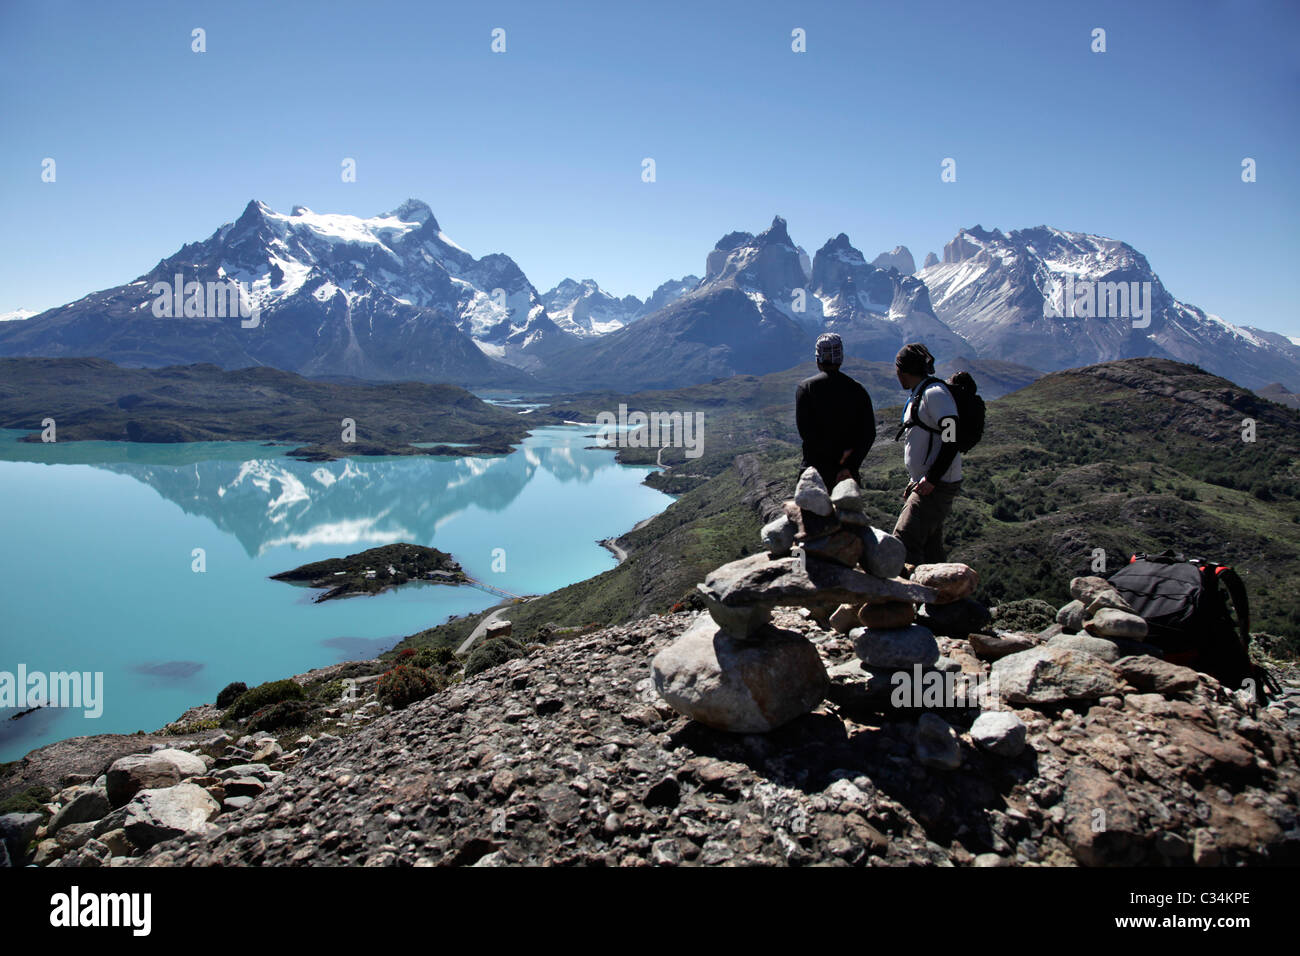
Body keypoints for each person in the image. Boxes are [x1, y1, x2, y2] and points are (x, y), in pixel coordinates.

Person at [892, 342, 961, 566]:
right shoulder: (920, 393)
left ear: (903, 369)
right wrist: (917, 479)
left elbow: (952, 436)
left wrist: (931, 477)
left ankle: (901, 596)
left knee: (902, 541)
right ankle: (943, 596)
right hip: (927, 483)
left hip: (936, 484)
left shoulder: (935, 394)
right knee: (931, 548)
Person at [794, 332, 875, 490]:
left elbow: (806, 434)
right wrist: (849, 466)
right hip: (846, 476)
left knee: (811, 515)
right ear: (841, 358)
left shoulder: (806, 388)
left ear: (818, 358)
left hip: (814, 473)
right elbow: (868, 434)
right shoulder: (858, 390)